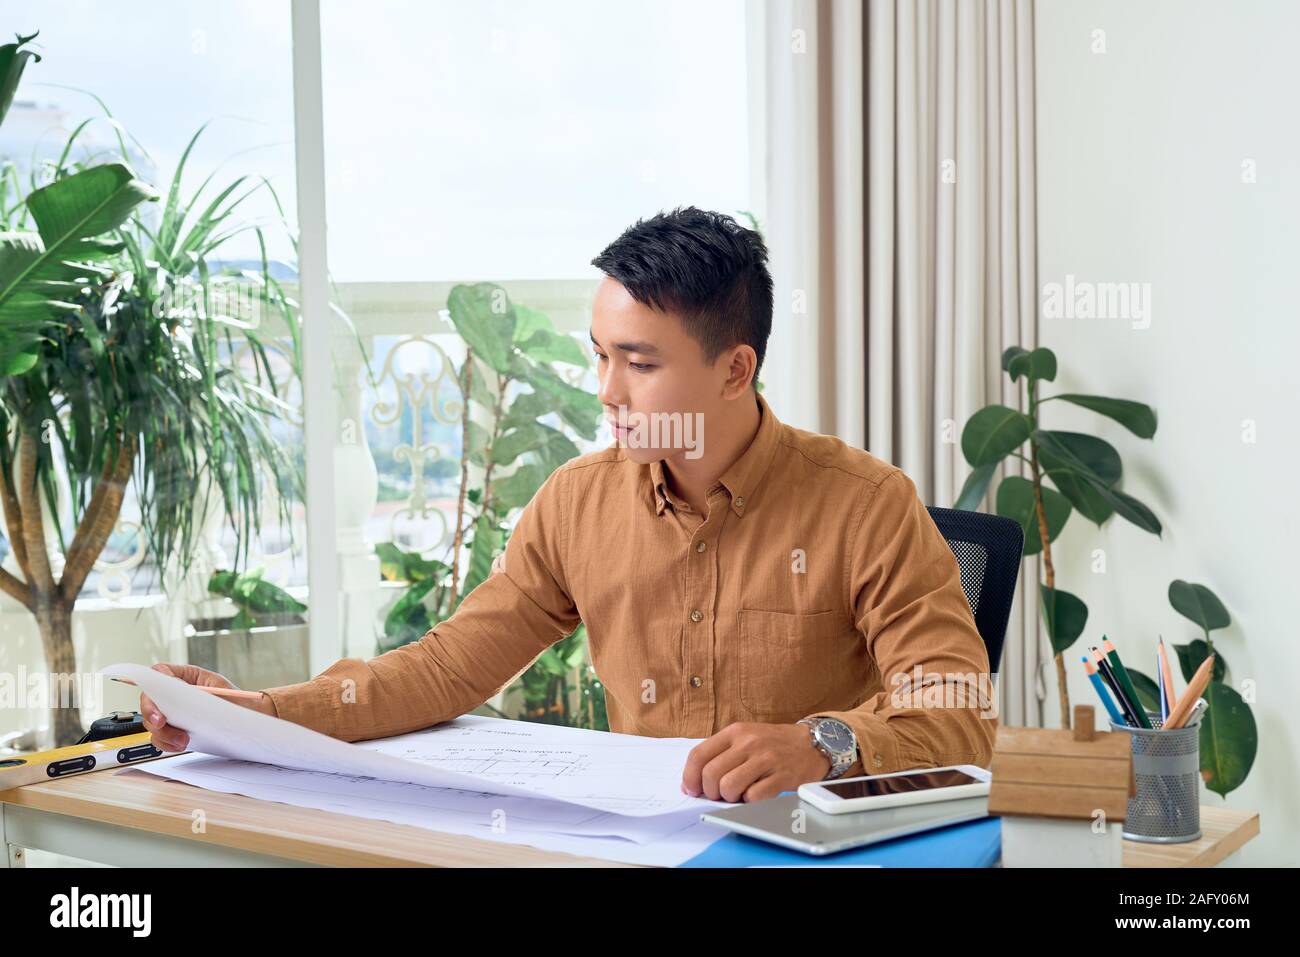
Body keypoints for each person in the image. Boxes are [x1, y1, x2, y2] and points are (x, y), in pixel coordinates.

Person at [142, 206, 996, 804]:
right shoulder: (576, 505)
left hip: (806, 847)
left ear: (735, 369)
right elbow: (447, 668)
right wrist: (260, 710)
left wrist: (821, 743)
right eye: (599, 356)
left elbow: (957, 712)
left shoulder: (867, 505)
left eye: (639, 362)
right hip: (639, 843)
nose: (608, 392)